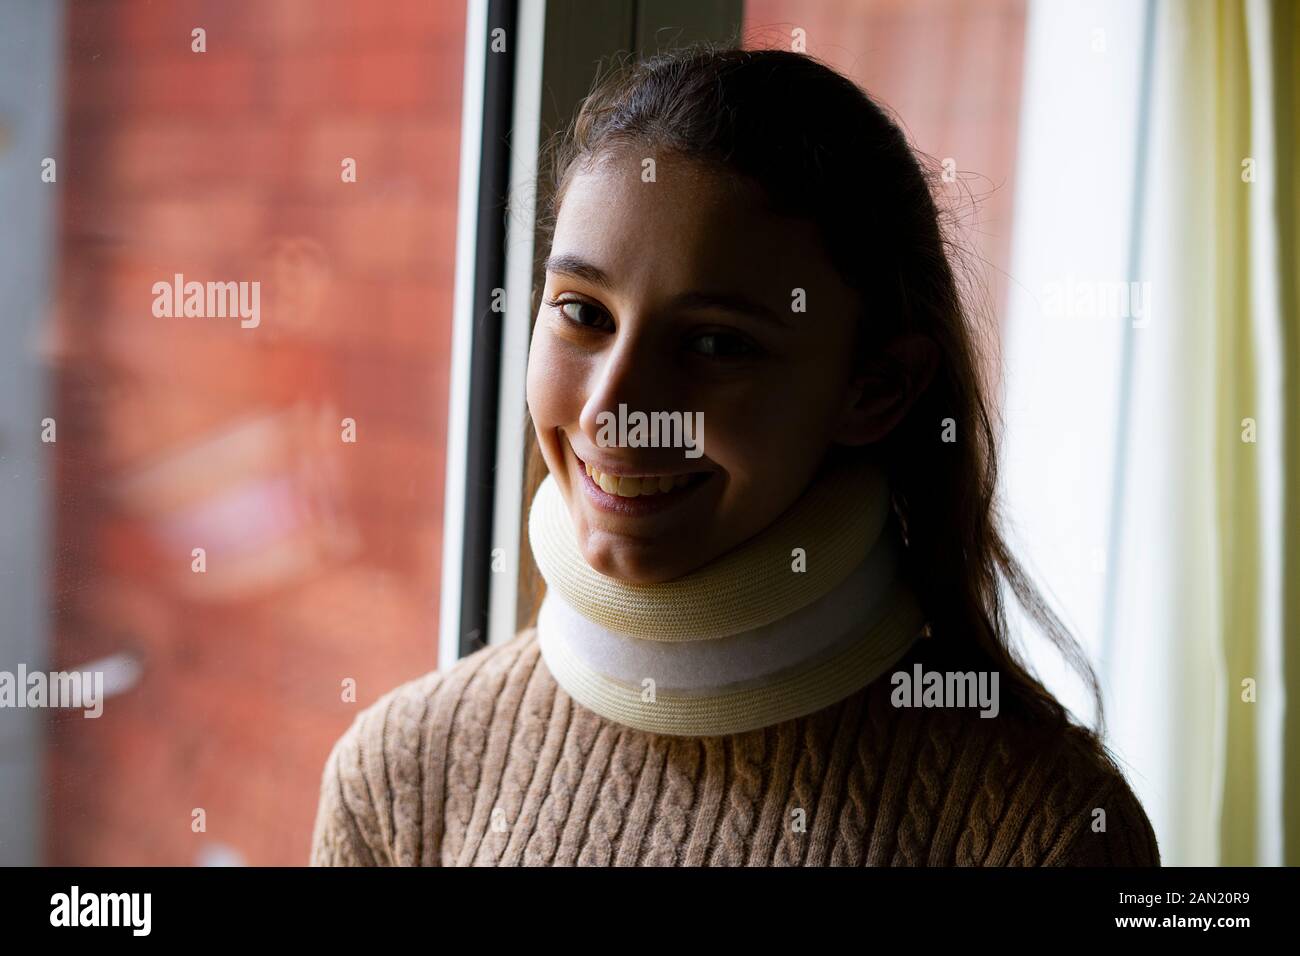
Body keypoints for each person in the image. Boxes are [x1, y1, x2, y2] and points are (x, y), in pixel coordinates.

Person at [310, 45, 1160, 867]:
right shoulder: (400, 775)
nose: (614, 412)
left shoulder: (1045, 833)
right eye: (583, 314)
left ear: (876, 389)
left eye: (715, 343)